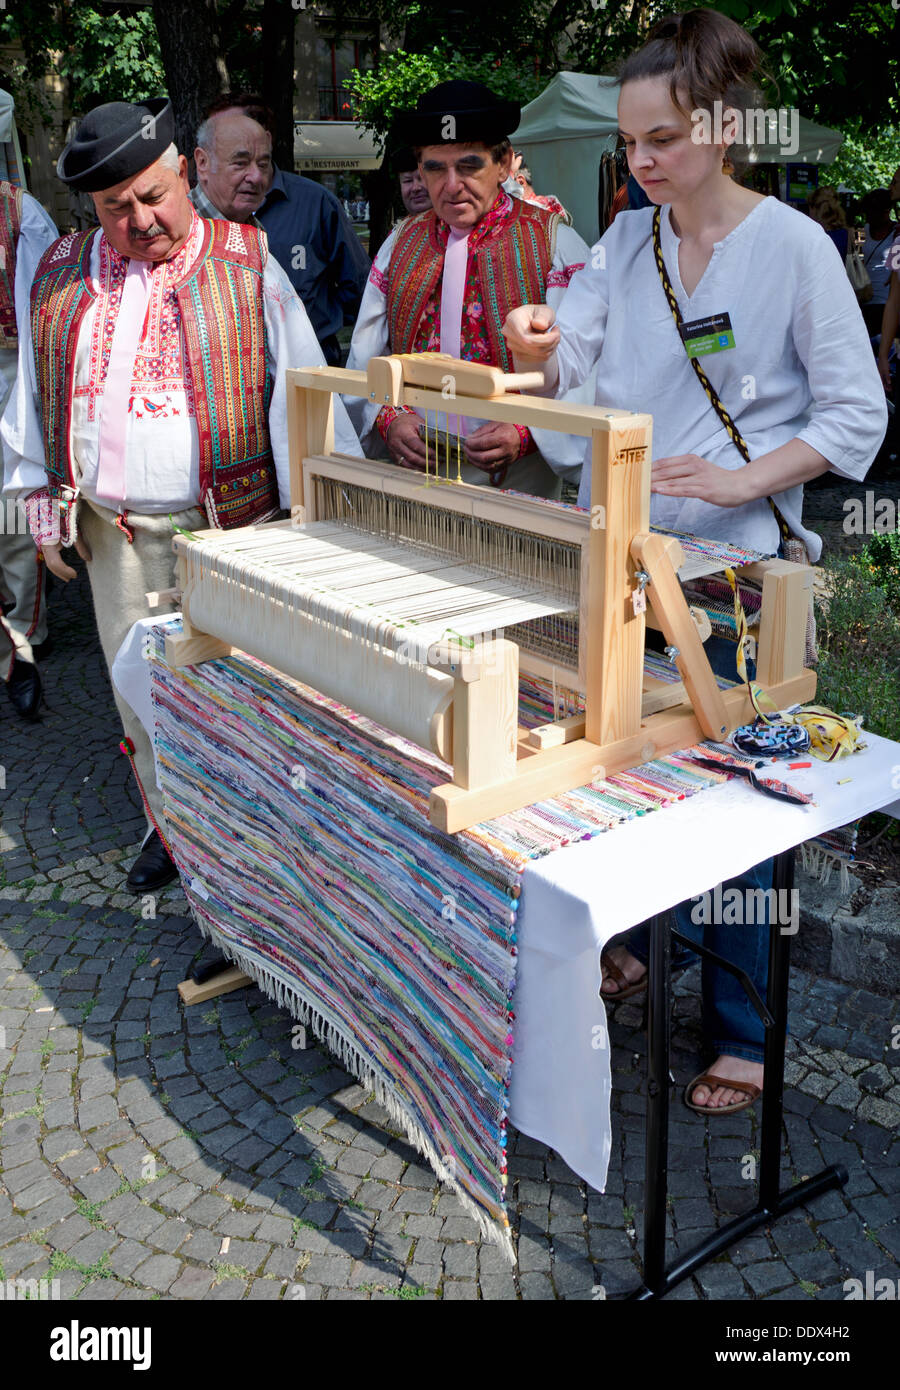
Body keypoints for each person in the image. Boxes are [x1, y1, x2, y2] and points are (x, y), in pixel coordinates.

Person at [503, 9, 887, 1115]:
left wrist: (744, 478)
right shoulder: (627, 240)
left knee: (736, 803)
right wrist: (539, 339)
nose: (641, 162)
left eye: (661, 139)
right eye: (629, 143)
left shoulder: (795, 248)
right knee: (615, 772)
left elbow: (857, 411)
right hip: (617, 556)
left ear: (723, 125)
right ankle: (622, 951)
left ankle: (741, 1032)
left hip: (726, 579)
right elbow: (573, 354)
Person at [2, 96, 360, 893]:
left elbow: (303, 399)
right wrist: (45, 520)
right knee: (142, 702)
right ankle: (173, 833)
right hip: (111, 540)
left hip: (231, 536)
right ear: (90, 207)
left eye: (153, 196)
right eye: (114, 206)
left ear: (183, 174)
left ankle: (255, 867)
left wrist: (316, 530)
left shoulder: (246, 262)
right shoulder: (59, 275)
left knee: (238, 707)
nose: (139, 219)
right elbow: (29, 412)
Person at [346, 80, 592, 496]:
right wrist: (387, 417)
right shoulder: (399, 243)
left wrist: (527, 431)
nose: (452, 184)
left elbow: (586, 366)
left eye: (469, 166)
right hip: (417, 471)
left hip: (520, 481)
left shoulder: (553, 243)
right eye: (435, 168)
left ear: (504, 164)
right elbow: (366, 357)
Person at [192, 93, 370, 367]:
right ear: (203, 161)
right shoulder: (179, 229)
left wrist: (316, 329)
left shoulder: (313, 203)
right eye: (240, 162)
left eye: (262, 164)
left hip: (309, 380)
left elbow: (360, 290)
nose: (255, 176)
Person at [0, 180, 58, 719]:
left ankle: (23, 631)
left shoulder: (22, 212)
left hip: (11, 370)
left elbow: (46, 301)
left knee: (14, 509)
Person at [861, 188, 899, 338]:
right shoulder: (866, 228)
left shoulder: (897, 233)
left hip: (886, 301)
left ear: (886, 211)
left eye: (874, 213)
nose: (869, 217)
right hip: (866, 297)